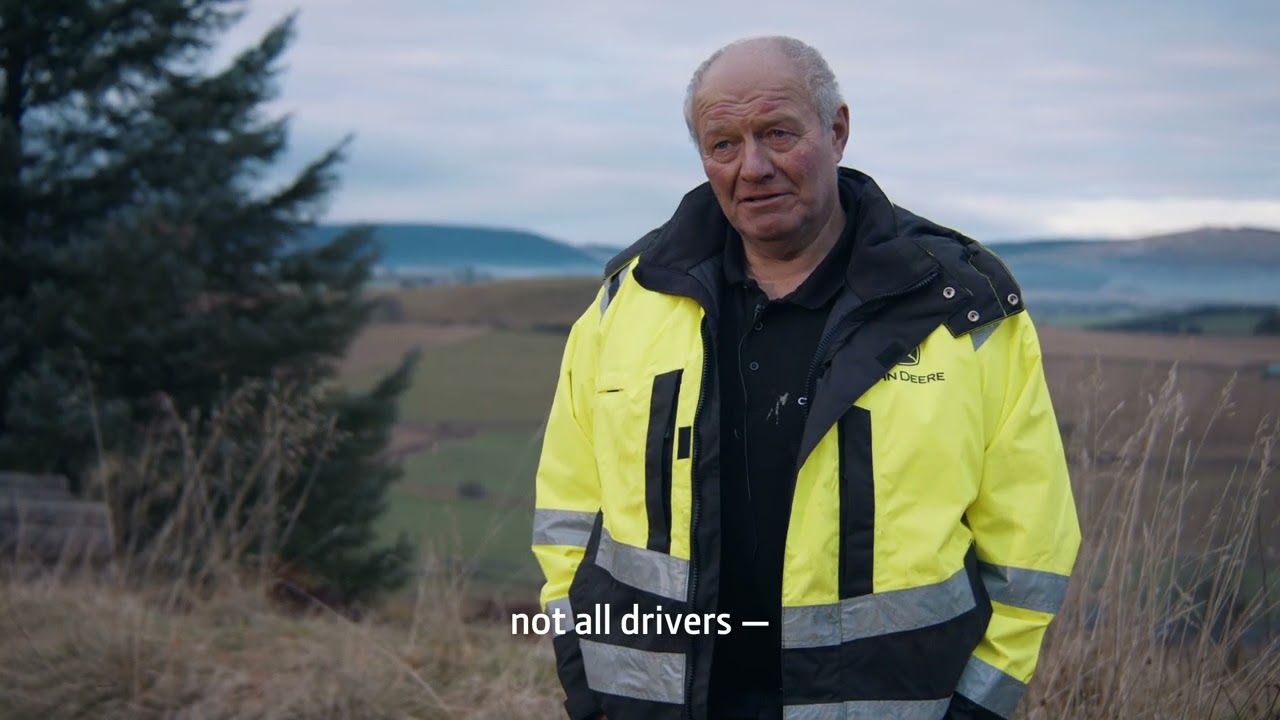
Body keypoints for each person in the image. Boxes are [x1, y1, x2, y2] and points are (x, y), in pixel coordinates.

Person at [531, 35, 1080, 720]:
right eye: (723, 144)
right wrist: (585, 674)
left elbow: (1031, 540)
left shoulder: (957, 306)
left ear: (838, 130)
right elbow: (568, 515)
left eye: (778, 133)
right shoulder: (628, 301)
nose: (752, 166)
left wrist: (975, 707)